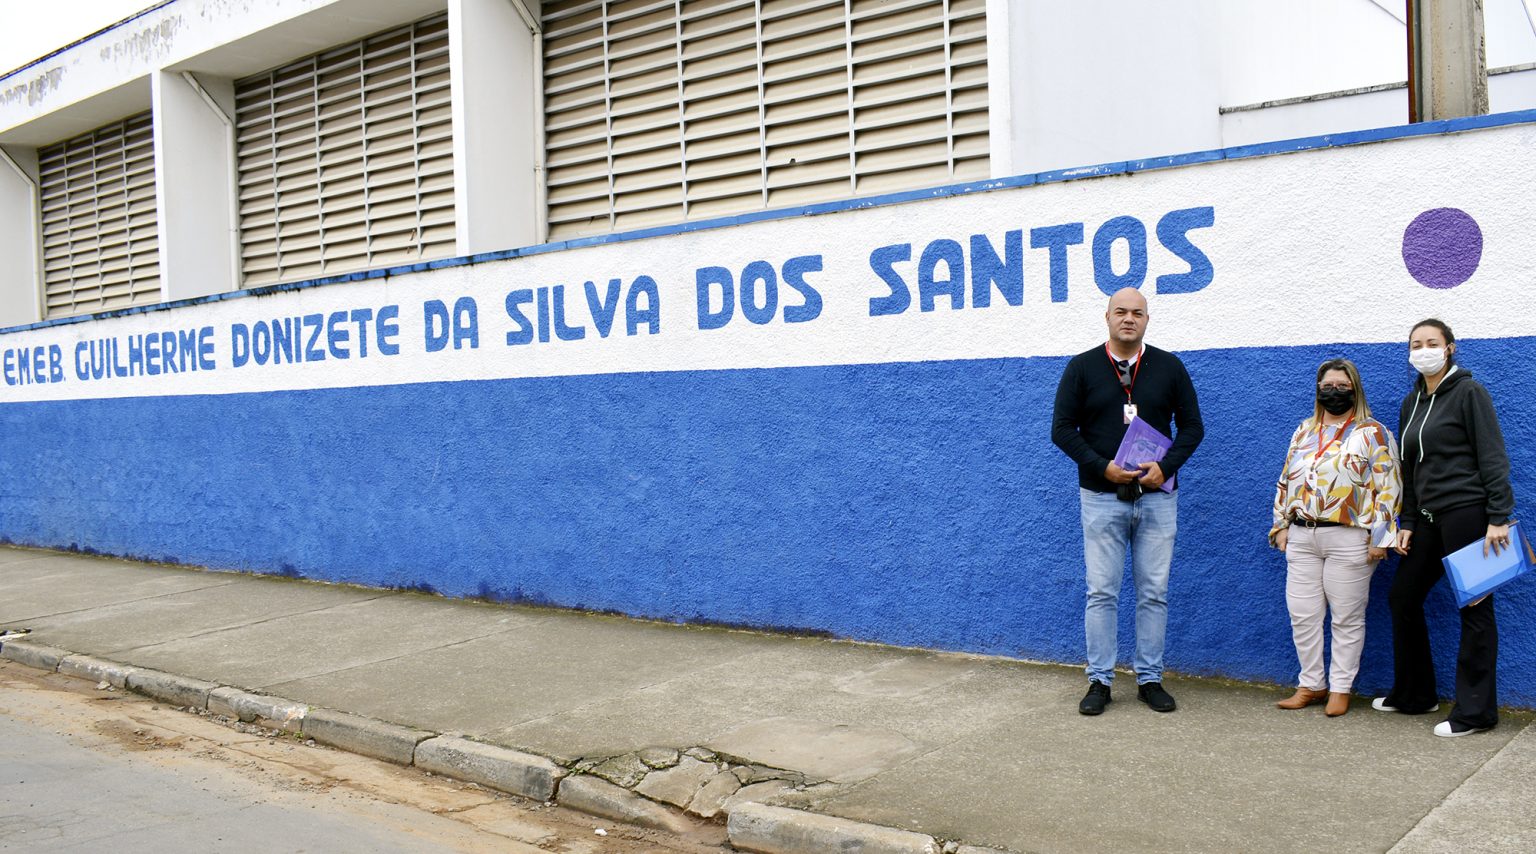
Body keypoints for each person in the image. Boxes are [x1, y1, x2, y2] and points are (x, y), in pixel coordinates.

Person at [1052, 287, 1204, 716]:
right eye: (1121, 311)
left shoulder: (1170, 367)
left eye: (1137, 313)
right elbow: (1062, 430)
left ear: (1147, 320)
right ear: (1107, 317)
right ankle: (1099, 681)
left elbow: (1193, 427)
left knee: (1153, 592)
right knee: (1102, 591)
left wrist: (1166, 467)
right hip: (1101, 497)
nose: (1129, 319)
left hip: (1157, 498)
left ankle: (1149, 678)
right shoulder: (1081, 368)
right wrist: (1102, 467)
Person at [1377, 319, 1514, 737]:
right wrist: (1409, 521)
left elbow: (1492, 455)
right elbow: (1411, 468)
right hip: (1430, 519)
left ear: (1450, 348)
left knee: (1474, 606)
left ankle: (1475, 713)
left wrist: (1498, 517)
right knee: (1403, 597)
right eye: (1416, 344)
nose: (1423, 350)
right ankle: (1416, 695)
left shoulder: (1469, 392)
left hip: (1469, 514)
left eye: (1432, 343)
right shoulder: (1410, 403)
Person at [1268, 359, 1401, 717]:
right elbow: (1285, 479)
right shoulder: (1304, 431)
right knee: (1303, 615)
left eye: (1343, 386)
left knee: (1346, 616)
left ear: (1355, 389)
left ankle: (1340, 688)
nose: (1335, 391)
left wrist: (1382, 537)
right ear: (1317, 388)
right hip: (1302, 535)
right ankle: (1311, 684)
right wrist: (1280, 526)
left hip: (1349, 537)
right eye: (1328, 385)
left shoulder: (1372, 432)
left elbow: (1388, 487)